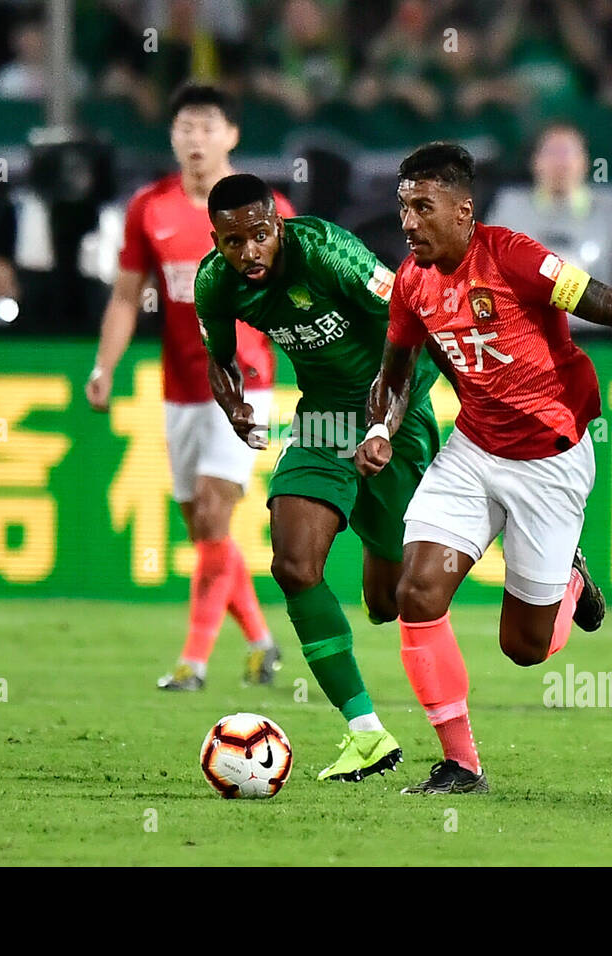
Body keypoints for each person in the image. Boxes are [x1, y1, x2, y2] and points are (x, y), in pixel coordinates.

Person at [357, 142, 612, 794]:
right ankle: (460, 763)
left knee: (525, 649)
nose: (409, 222)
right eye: (402, 208)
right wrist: (377, 429)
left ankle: (571, 586)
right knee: (415, 592)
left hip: (549, 465)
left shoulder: (516, 258)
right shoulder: (413, 284)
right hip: (472, 454)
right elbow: (393, 376)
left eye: (423, 207)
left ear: (462, 210)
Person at [198, 173, 441, 782]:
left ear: (279, 225)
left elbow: (411, 328)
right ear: (217, 241)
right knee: (294, 565)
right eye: (233, 242)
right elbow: (220, 360)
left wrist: (384, 422)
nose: (249, 252)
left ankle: (543, 550)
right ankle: (366, 734)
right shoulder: (214, 283)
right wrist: (234, 407)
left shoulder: (329, 252)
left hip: (395, 399)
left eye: (260, 235)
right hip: (325, 415)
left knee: (390, 603)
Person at [87, 85, 292, 691]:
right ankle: (260, 640)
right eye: (184, 127)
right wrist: (104, 367)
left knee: (211, 508)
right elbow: (127, 295)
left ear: (232, 135)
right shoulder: (150, 207)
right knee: (208, 531)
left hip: (247, 383)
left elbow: (300, 291)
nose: (195, 139)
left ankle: (192, 663)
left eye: (207, 127)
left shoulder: (266, 207)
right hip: (180, 388)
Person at [487, 122, 612, 333]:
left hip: (594, 335)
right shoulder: (508, 207)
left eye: (568, 152)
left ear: (584, 161)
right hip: (524, 334)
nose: (561, 162)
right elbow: (486, 269)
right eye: (551, 152)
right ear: (535, 161)